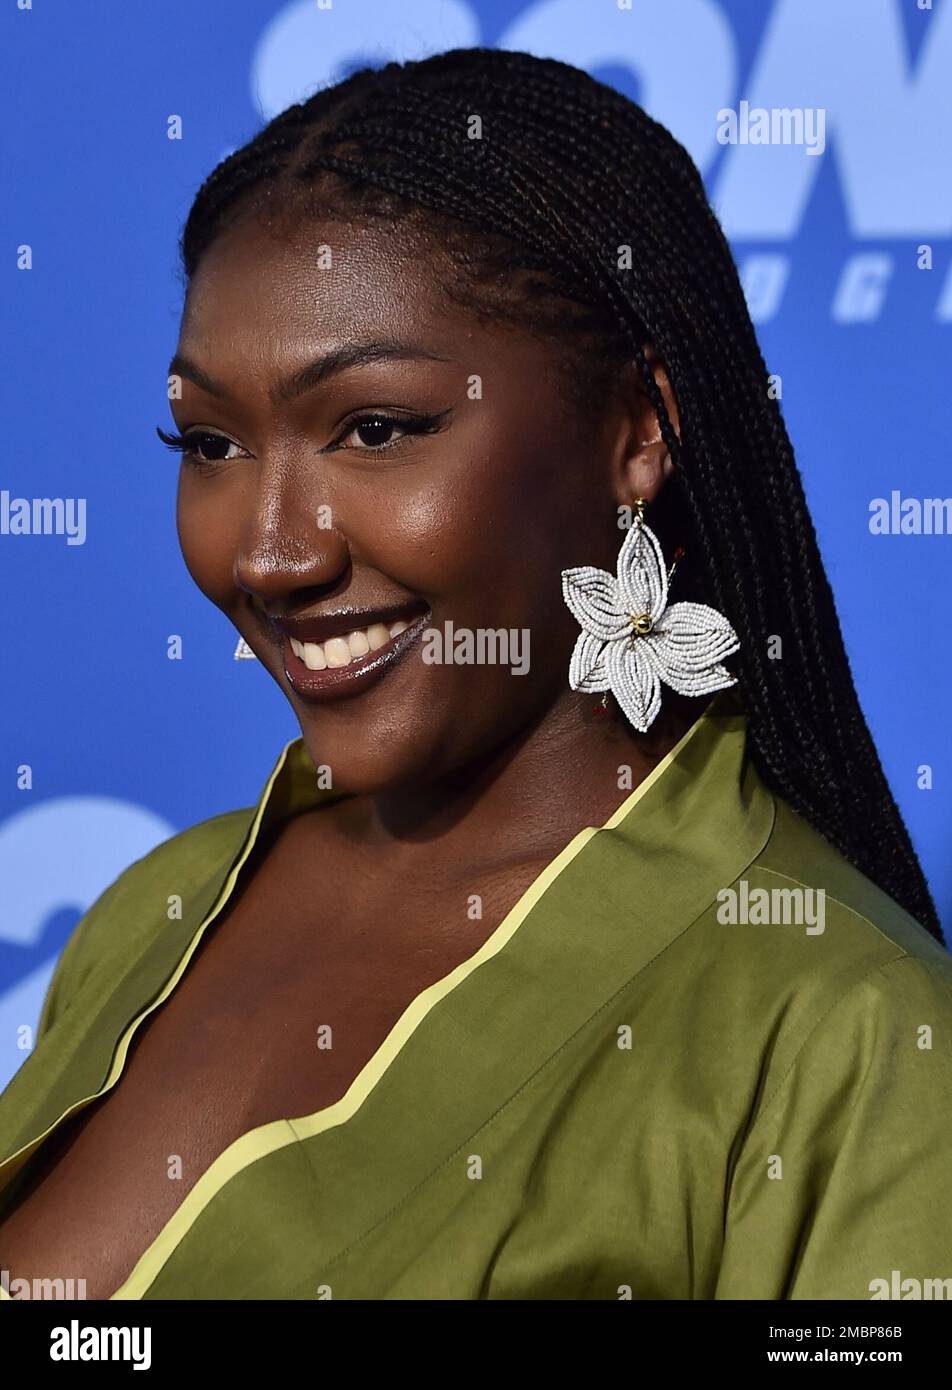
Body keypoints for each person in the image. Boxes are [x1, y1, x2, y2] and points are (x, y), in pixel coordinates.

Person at [1, 47, 950, 1302]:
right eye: (211, 441)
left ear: (635, 432)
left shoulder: (848, 1029)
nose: (272, 551)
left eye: (376, 428)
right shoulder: (159, 909)